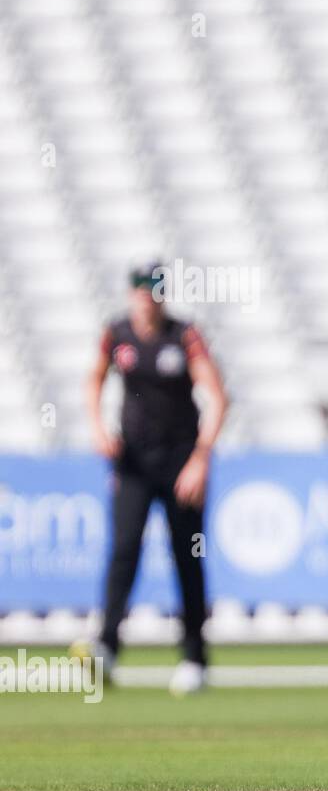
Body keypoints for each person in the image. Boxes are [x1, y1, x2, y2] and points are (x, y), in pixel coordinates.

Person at [74, 262, 228, 695]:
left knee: (187, 555)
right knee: (124, 550)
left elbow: (217, 397)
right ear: (132, 294)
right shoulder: (117, 333)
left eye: (155, 290)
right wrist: (97, 428)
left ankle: (194, 657)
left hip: (181, 462)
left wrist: (200, 458)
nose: (147, 298)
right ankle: (106, 648)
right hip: (134, 463)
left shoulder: (183, 335)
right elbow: (94, 379)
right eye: (141, 290)